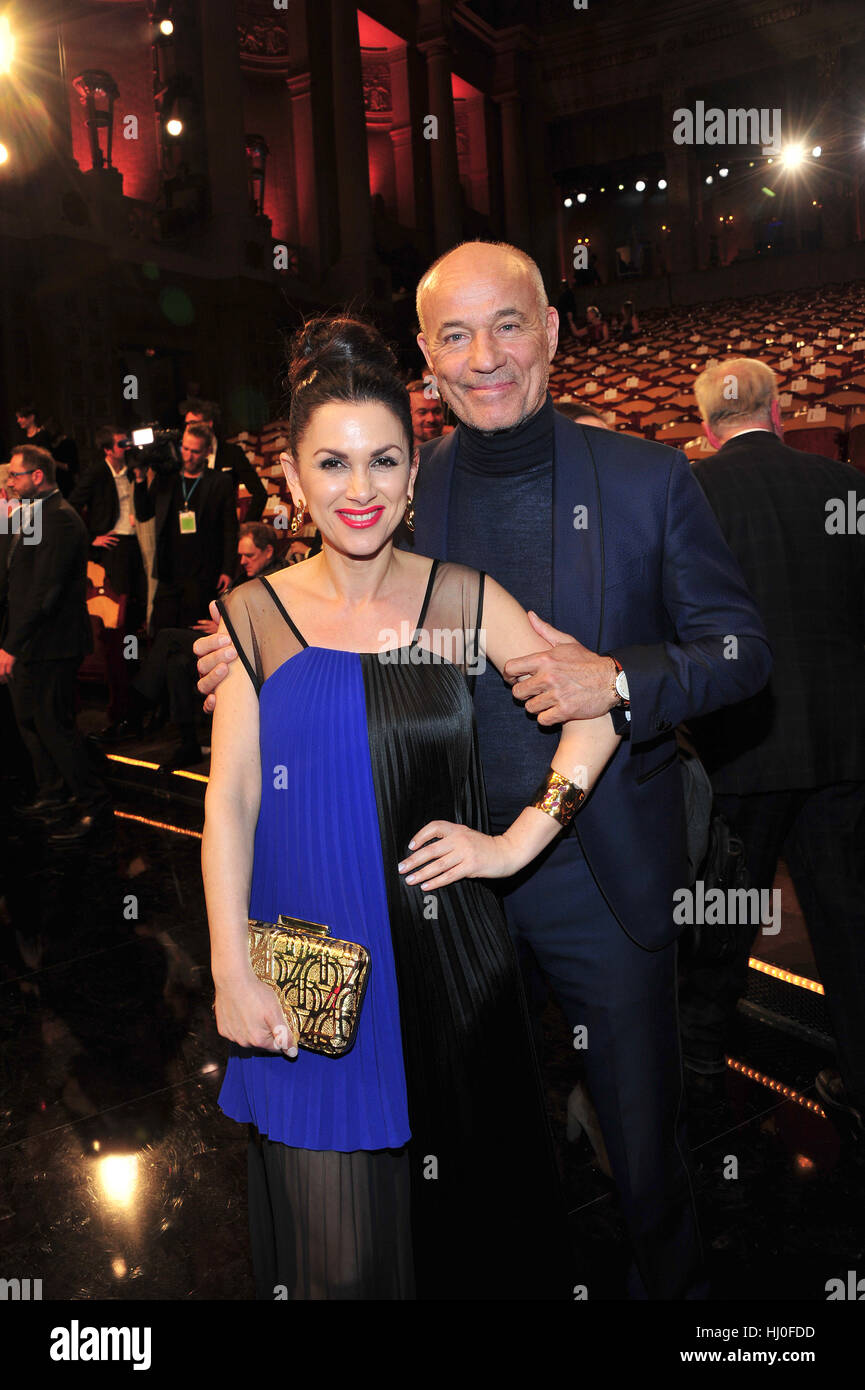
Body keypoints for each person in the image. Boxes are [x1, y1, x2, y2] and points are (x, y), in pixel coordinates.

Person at [194, 241, 772, 1300]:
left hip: (595, 873)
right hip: (428, 900)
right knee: (460, 1160)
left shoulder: (645, 480)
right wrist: (253, 643)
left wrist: (618, 683)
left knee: (642, 1160)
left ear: (552, 328)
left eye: (508, 323)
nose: (486, 355)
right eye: (455, 335)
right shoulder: (416, 480)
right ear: (426, 358)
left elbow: (742, 654)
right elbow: (328, 641)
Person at [201, 315, 621, 1301]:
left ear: (412, 472)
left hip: (446, 972)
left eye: (383, 460)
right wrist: (227, 968)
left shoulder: (461, 601)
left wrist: (517, 841)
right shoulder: (250, 618)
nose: (360, 489)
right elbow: (230, 802)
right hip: (306, 984)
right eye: (332, 464)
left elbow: (594, 711)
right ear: (294, 481)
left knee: (465, 1249)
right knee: (338, 1270)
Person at [685, 358, 865, 1132]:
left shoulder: (689, 492)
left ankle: (694, 1080)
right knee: (851, 921)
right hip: (844, 745)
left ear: (703, 426)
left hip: (741, 747)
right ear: (780, 410)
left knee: (724, 918)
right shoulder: (848, 490)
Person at [0, 445, 109, 841]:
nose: (9, 482)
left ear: (38, 476)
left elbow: (44, 591)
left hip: (53, 643)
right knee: (29, 721)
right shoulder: (28, 514)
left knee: (54, 726)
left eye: (14, 476)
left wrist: (11, 645)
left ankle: (95, 806)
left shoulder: (60, 519)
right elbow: (11, 570)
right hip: (28, 641)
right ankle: (53, 796)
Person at [131, 523, 285, 772]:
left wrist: (224, 629)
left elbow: (271, 626)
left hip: (251, 654)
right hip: (228, 647)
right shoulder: (245, 577)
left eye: (249, 555)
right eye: (241, 556)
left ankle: (137, 705)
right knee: (176, 663)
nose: (243, 561)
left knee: (168, 637)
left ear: (268, 552)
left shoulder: (279, 578)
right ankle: (188, 744)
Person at [69, 426, 146, 741]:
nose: (125, 447)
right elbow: (72, 506)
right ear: (107, 449)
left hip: (137, 546)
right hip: (111, 549)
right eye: (119, 444)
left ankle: (139, 704)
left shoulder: (136, 469)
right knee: (115, 627)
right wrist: (92, 539)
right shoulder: (97, 473)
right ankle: (120, 709)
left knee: (135, 624)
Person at [133, 423, 237, 635]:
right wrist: (140, 479)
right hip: (169, 572)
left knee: (193, 636)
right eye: (185, 449)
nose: (188, 456)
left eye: (195, 451)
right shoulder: (167, 478)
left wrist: (227, 569)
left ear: (207, 452)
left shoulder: (220, 482)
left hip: (203, 573)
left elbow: (229, 529)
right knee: (162, 631)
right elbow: (144, 513)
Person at [182, 398, 268, 521]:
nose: (189, 429)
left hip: (225, 529)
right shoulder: (183, 454)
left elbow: (260, 493)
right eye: (187, 424)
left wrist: (246, 527)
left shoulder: (232, 453)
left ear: (209, 423)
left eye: (193, 423)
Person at [405, 378, 444, 446]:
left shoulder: (456, 450)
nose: (431, 419)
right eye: (422, 412)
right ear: (407, 416)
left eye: (437, 412)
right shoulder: (396, 453)